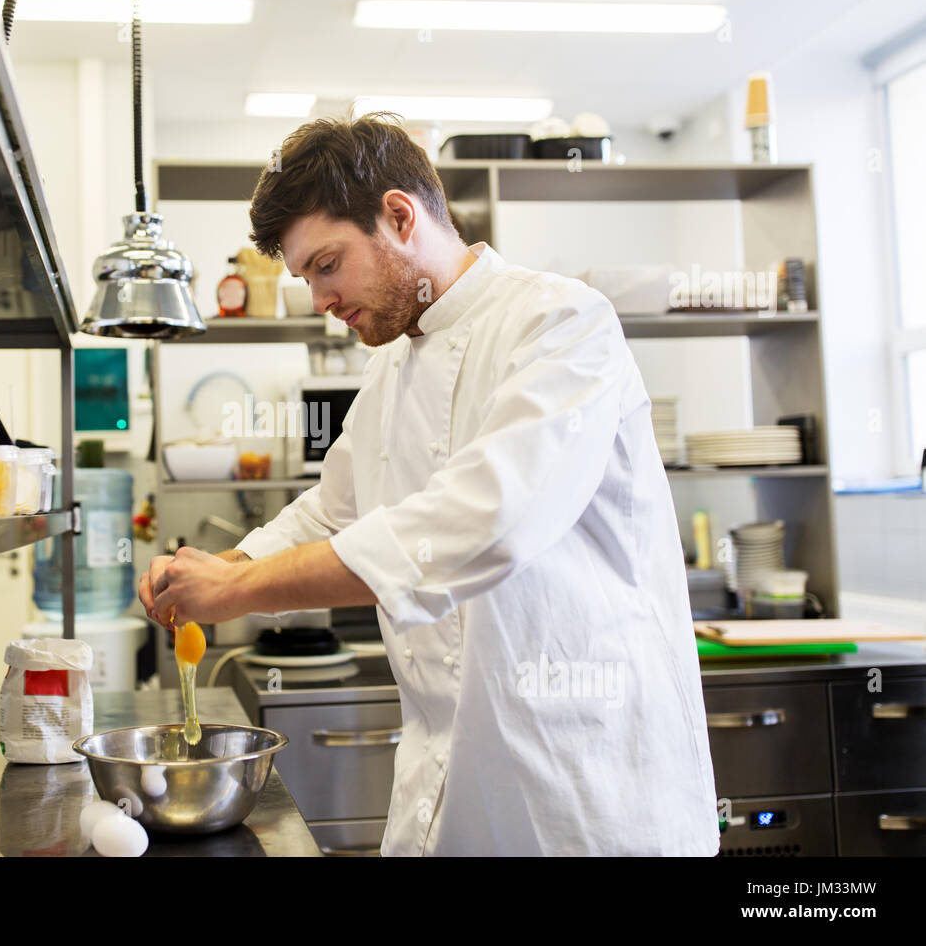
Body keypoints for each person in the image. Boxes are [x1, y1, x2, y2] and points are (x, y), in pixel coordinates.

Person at [139, 113, 719, 856]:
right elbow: (334, 510)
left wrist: (240, 593)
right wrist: (227, 566)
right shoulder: (390, 365)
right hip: (455, 779)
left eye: (325, 265)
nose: (319, 298)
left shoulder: (561, 323)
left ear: (399, 216)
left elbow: (488, 520)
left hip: (585, 788)